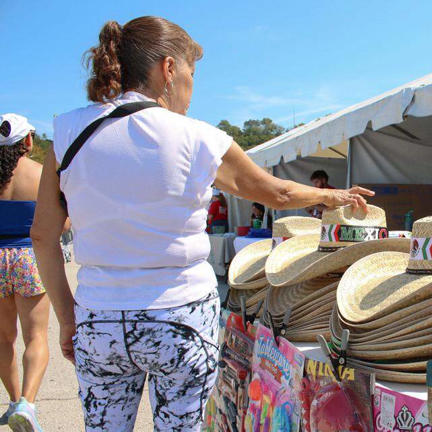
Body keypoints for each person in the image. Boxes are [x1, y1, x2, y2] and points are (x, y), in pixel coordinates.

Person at [31, 16, 373, 432]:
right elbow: (277, 194)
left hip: (99, 318)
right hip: (179, 315)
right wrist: (329, 196)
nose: (192, 90)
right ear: (168, 68)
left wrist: (68, 317)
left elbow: (43, 236)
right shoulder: (197, 138)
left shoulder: (68, 132)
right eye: (191, 74)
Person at [0, 114, 48, 431]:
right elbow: (62, 224)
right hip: (28, 257)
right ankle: (27, 404)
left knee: (4, 338)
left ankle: (13, 400)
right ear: (27, 140)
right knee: (36, 336)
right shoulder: (40, 174)